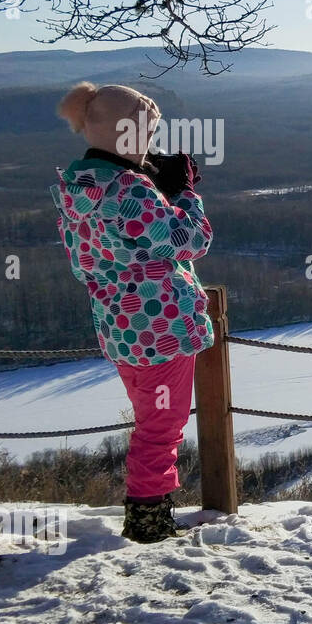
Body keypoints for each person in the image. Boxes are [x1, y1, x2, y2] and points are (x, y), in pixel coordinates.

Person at [51, 82, 212, 543]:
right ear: (130, 133)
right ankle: (149, 519)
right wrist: (182, 192)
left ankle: (150, 510)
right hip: (163, 329)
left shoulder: (77, 188)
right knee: (162, 428)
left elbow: (105, 256)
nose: (152, 144)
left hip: (120, 329)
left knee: (151, 422)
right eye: (148, 134)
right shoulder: (129, 191)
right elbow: (191, 240)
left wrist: (149, 181)